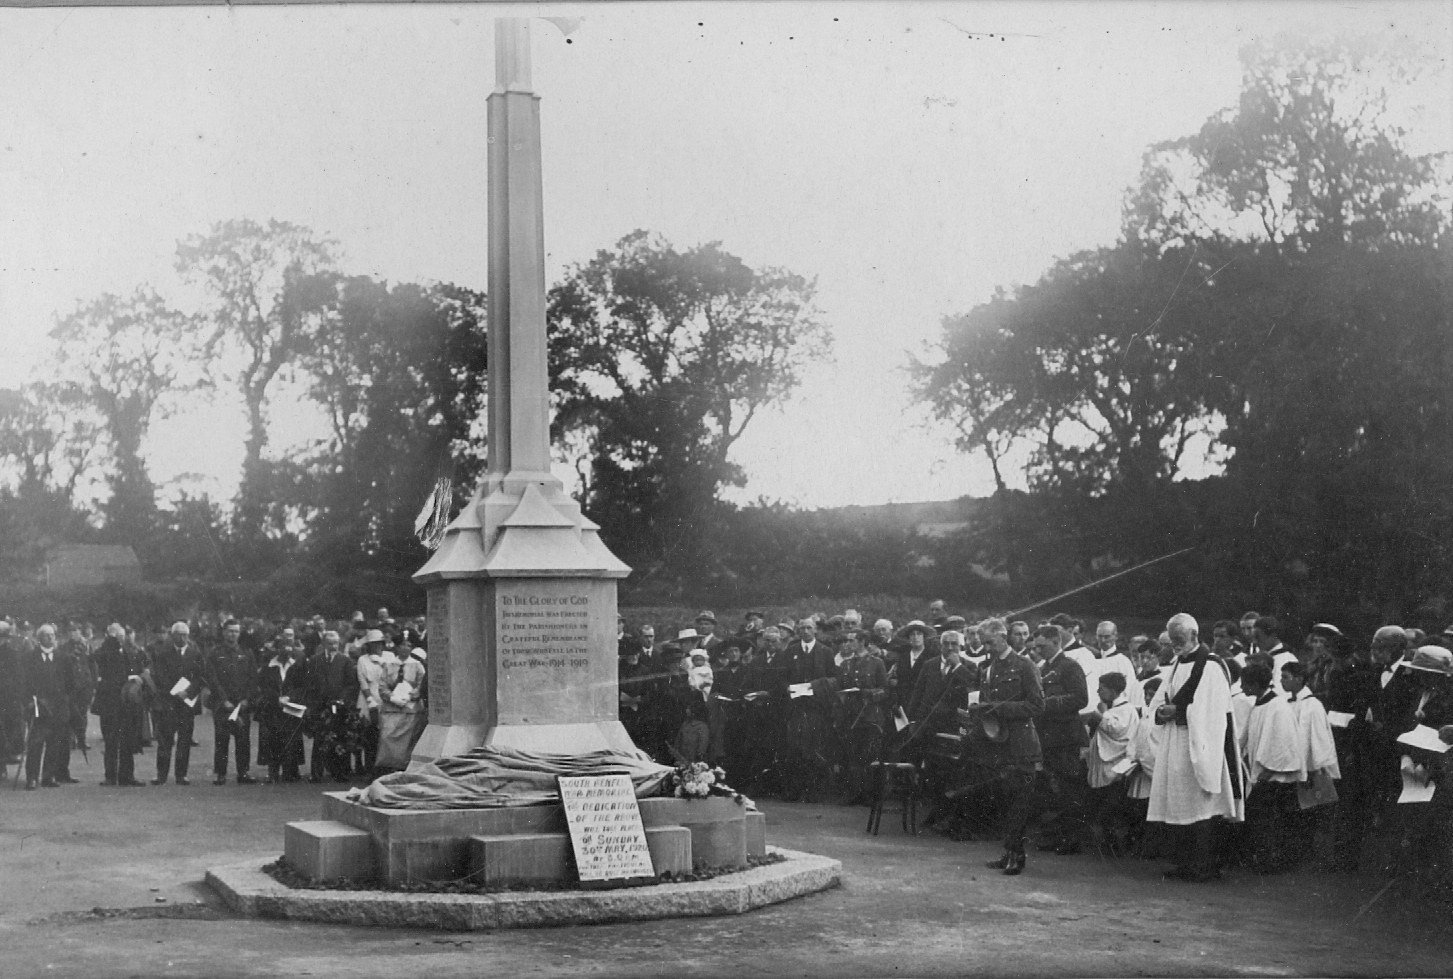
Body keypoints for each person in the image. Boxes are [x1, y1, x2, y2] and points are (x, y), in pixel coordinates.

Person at [1146, 613, 1244, 882]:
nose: (1175, 644)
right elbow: (1158, 699)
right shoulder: (1178, 664)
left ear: (1193, 635)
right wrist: (1160, 712)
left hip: (1202, 744)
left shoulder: (1211, 666)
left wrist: (1178, 711)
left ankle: (1204, 865)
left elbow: (1212, 710)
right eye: (1172, 639)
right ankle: (1185, 862)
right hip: (1176, 744)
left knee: (1202, 805)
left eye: (1179, 639)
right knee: (1180, 804)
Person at [962, 617, 1044, 875]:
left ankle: (1017, 856)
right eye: (984, 643)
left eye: (990, 641)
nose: (987, 647)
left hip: (1021, 744)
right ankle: (1008, 851)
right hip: (999, 742)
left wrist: (1000, 708)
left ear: (1003, 636)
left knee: (1019, 801)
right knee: (1006, 800)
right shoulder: (989, 667)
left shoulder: (1024, 666)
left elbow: (1037, 705)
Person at [1031, 623, 1090, 855]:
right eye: (1036, 647)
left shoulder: (1069, 667)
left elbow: (1080, 699)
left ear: (1056, 642)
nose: (1038, 651)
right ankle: (1056, 836)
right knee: (1053, 789)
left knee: (1069, 789)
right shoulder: (1043, 667)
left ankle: (1072, 839)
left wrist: (1047, 705)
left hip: (1066, 738)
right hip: (1049, 738)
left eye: (1042, 646)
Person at [1241, 663, 1304, 873]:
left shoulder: (1278, 707)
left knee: (1268, 820)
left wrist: (1269, 770)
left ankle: (1269, 862)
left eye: (1245, 683)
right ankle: (1261, 859)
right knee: (1260, 819)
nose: (1241, 687)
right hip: (1259, 773)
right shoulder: (1259, 705)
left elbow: (1283, 742)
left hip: (1273, 775)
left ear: (1255, 684)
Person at [1086, 671, 1139, 852]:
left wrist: (1101, 716)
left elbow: (1118, 730)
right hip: (1101, 764)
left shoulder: (1127, 710)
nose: (1098, 692)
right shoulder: (1108, 708)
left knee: (1111, 808)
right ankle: (1106, 843)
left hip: (1116, 766)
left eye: (1101, 688)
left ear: (1112, 690)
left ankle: (1115, 845)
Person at [149, 622, 207, 786]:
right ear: (172, 635)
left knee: (184, 740)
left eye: (185, 635)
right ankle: (161, 774)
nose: (183, 638)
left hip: (187, 703)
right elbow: (159, 677)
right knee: (165, 740)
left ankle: (181, 774)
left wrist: (187, 692)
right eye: (179, 635)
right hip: (169, 703)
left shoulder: (195, 654)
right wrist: (174, 692)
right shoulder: (163, 654)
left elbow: (200, 677)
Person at [92, 623, 147, 787]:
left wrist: (137, 677)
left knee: (127, 740)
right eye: (119, 637)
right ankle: (110, 776)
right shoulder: (105, 651)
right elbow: (102, 660)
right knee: (110, 741)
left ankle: (126, 776)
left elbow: (137, 668)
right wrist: (112, 639)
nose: (122, 640)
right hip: (109, 703)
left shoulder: (129, 652)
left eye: (122, 637)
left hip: (126, 703)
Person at [20, 624, 74, 789]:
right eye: (46, 635)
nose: (50, 638)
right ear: (39, 638)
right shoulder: (30, 657)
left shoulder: (63, 658)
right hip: (38, 707)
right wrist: (29, 701)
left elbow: (70, 683)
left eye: (52, 635)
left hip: (57, 707)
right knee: (35, 744)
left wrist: (64, 700)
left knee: (54, 743)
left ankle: (48, 776)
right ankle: (32, 778)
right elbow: (23, 683)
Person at [207, 619, 259, 786]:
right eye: (230, 631)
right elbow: (212, 679)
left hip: (241, 703)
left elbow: (253, 679)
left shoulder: (247, 653)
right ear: (224, 632)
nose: (233, 634)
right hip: (223, 704)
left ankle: (243, 772)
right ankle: (220, 774)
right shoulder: (215, 653)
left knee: (243, 740)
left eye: (236, 631)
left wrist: (246, 699)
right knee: (221, 740)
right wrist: (223, 700)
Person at [308, 630, 360, 782]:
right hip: (320, 705)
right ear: (324, 644)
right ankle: (316, 773)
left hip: (340, 706)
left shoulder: (345, 661)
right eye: (330, 644)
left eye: (336, 643)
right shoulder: (315, 660)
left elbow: (351, 685)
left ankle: (340, 772)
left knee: (340, 738)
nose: (333, 646)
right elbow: (310, 683)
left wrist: (342, 699)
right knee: (319, 738)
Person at [258, 638, 310, 783]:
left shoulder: (298, 666)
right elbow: (262, 687)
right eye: (283, 647)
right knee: (271, 740)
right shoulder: (268, 666)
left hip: (291, 708)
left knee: (291, 740)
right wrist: (277, 699)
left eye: (289, 647)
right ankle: (273, 772)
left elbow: (303, 686)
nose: (286, 650)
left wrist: (290, 697)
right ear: (277, 649)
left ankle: (290, 772)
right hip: (272, 709)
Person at [354, 629, 389, 775]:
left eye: (379, 643)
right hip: (368, 699)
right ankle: (369, 769)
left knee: (386, 736)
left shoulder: (389, 657)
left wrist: (384, 664)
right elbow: (363, 682)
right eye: (373, 644)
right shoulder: (363, 660)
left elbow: (393, 677)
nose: (376, 647)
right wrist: (370, 701)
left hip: (386, 699)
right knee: (369, 734)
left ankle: (384, 768)